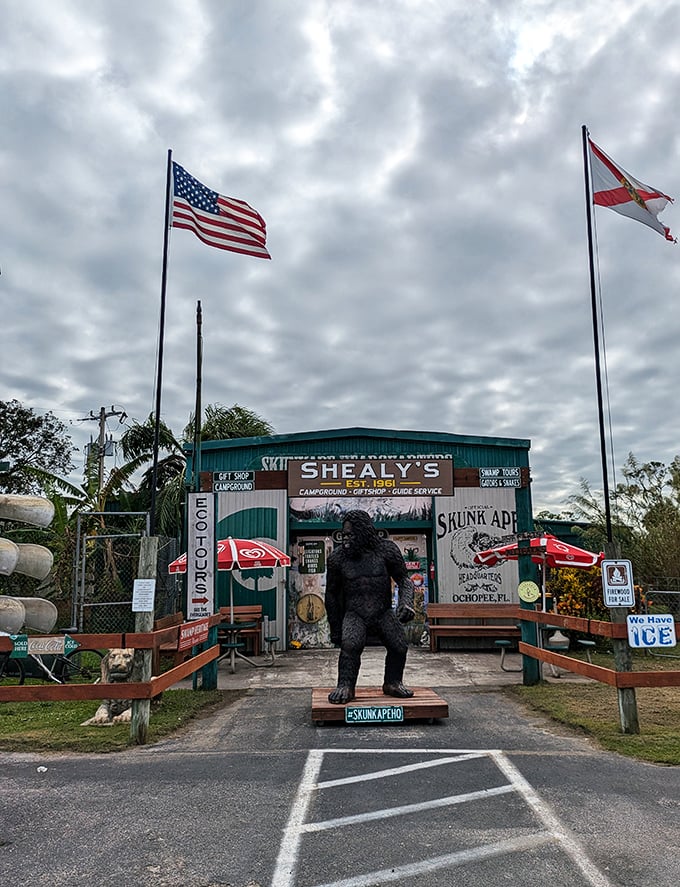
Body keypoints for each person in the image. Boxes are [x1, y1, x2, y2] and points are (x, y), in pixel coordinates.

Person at [326, 510, 415, 704]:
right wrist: (335, 628)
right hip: (355, 613)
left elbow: (404, 580)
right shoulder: (337, 558)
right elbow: (331, 594)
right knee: (350, 645)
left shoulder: (387, 550)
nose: (345, 540)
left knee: (399, 646)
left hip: (382, 611)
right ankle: (345, 686)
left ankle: (392, 682)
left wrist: (406, 603)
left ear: (364, 533)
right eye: (343, 535)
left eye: (350, 535)